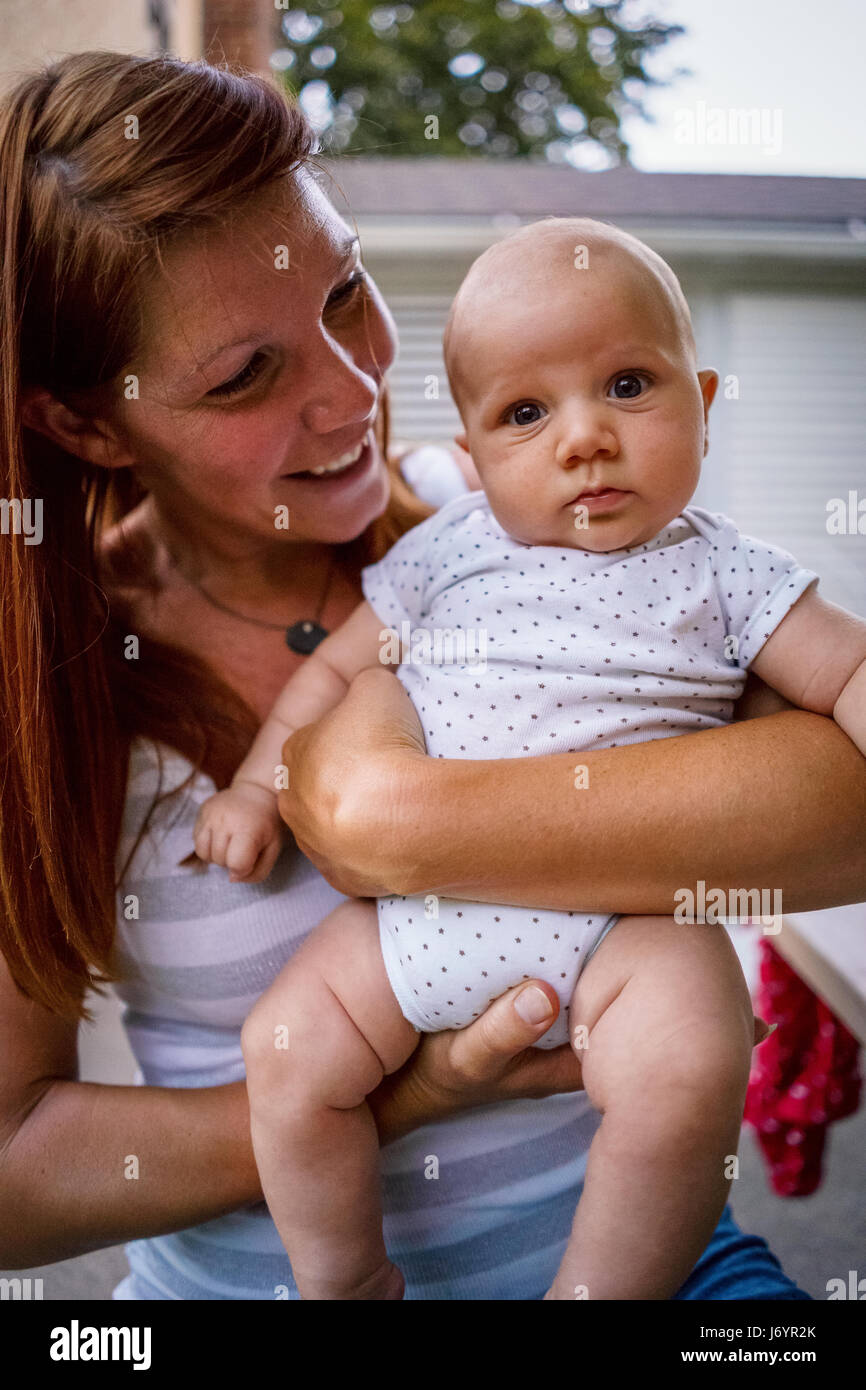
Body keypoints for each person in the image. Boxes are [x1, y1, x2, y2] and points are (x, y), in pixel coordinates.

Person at [1, 53, 863, 1302]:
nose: (355, 394)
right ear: (85, 423)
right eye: (244, 375)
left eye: (344, 290)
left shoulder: (517, 521)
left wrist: (390, 819)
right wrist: (408, 1092)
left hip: (656, 1267)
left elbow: (835, 803)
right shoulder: (53, 688)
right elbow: (15, 1174)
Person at [194, 218, 866, 1300]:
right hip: (418, 922)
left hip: (629, 927)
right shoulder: (445, 550)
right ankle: (346, 1277)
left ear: (700, 398)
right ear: (469, 458)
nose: (584, 437)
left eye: (628, 387)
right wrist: (252, 786)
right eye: (524, 413)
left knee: (690, 1068)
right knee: (283, 1052)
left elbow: (843, 675)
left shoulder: (731, 571)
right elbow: (326, 685)